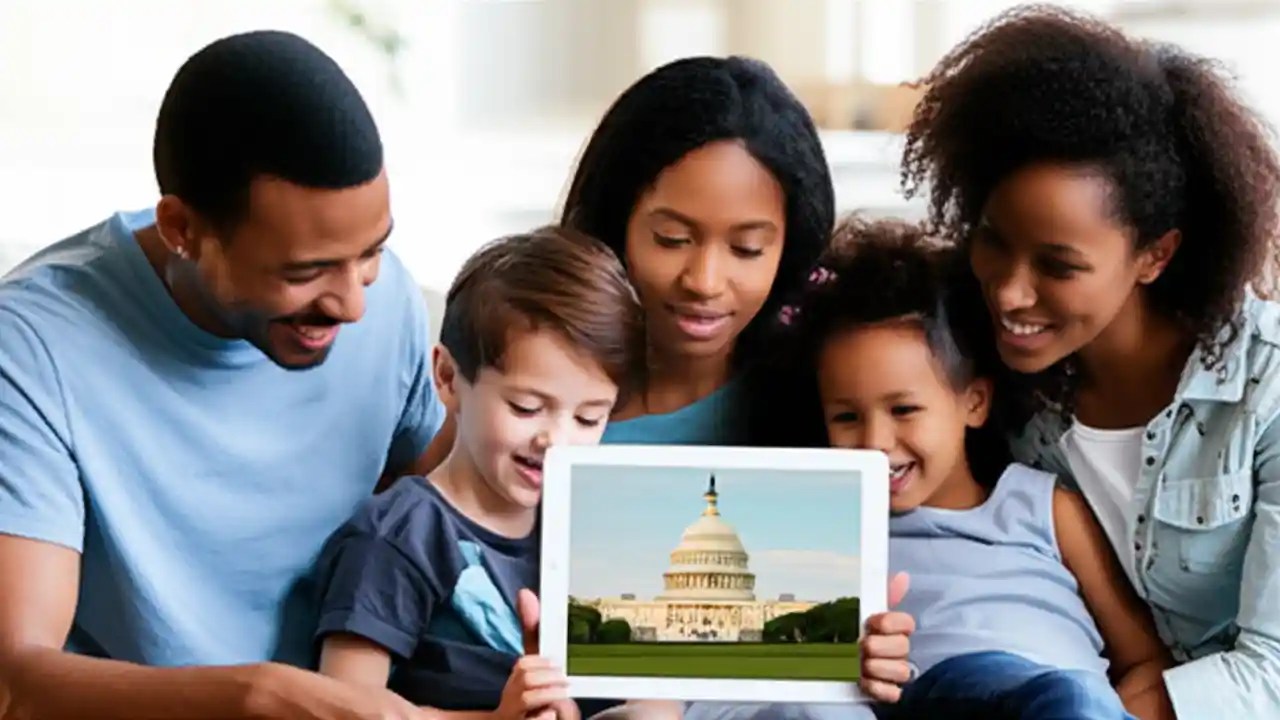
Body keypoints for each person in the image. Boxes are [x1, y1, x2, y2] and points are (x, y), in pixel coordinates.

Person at [0, 31, 454, 719]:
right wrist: (257, 695)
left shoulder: (383, 299)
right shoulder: (32, 346)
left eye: (371, 252)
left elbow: (454, 514)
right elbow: (19, 681)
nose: (354, 303)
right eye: (304, 273)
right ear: (182, 227)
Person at [869, 4, 1280, 717]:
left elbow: (1271, 673)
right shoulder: (988, 380)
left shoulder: (1266, 388)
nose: (1007, 291)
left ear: (1156, 254)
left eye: (1058, 266)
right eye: (993, 240)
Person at [312, 226, 671, 720]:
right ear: (447, 378)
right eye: (526, 407)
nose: (556, 439)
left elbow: (652, 686)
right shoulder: (401, 536)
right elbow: (340, 706)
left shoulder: (592, 526)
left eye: (589, 418)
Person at [559, 55, 835, 448]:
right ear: (615, 222)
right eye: (671, 239)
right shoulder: (538, 400)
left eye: (747, 249)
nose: (704, 282)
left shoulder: (828, 403)